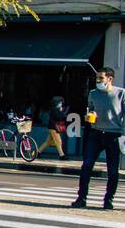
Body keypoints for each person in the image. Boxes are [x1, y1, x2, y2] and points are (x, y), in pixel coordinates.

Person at [72, 67, 124, 210]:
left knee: (112, 170)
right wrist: (89, 117)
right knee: (86, 166)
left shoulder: (121, 94)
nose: (98, 81)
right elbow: (89, 109)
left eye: (101, 78)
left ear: (110, 79)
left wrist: (123, 134)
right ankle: (81, 199)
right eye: (97, 78)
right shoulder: (93, 94)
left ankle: (108, 200)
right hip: (95, 133)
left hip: (114, 135)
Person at [36, 95, 69, 159]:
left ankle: (37, 152)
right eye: (60, 103)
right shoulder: (54, 110)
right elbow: (60, 117)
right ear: (56, 103)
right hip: (53, 128)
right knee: (58, 141)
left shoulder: (55, 110)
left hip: (52, 127)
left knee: (48, 142)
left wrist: (61, 111)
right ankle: (62, 155)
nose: (61, 104)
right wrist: (62, 111)